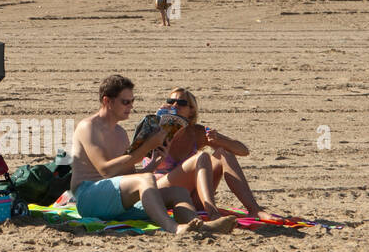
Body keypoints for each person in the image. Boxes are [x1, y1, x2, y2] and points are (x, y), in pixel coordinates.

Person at [70, 75, 235, 234]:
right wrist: (146, 147)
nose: (131, 106)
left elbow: (128, 177)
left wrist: (154, 163)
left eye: (132, 101)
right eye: (125, 102)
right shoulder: (89, 127)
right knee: (146, 179)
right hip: (90, 197)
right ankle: (174, 228)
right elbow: (105, 171)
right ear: (107, 101)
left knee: (179, 192)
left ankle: (202, 227)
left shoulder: (120, 133)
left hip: (115, 201)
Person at [149, 88, 264, 219]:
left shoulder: (197, 132)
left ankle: (255, 210)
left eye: (181, 103)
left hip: (190, 198)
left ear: (191, 110)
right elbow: (135, 155)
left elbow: (243, 151)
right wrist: (156, 122)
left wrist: (220, 140)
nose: (175, 106)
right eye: (171, 101)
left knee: (224, 153)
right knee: (202, 157)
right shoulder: (156, 128)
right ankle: (212, 211)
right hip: (161, 193)